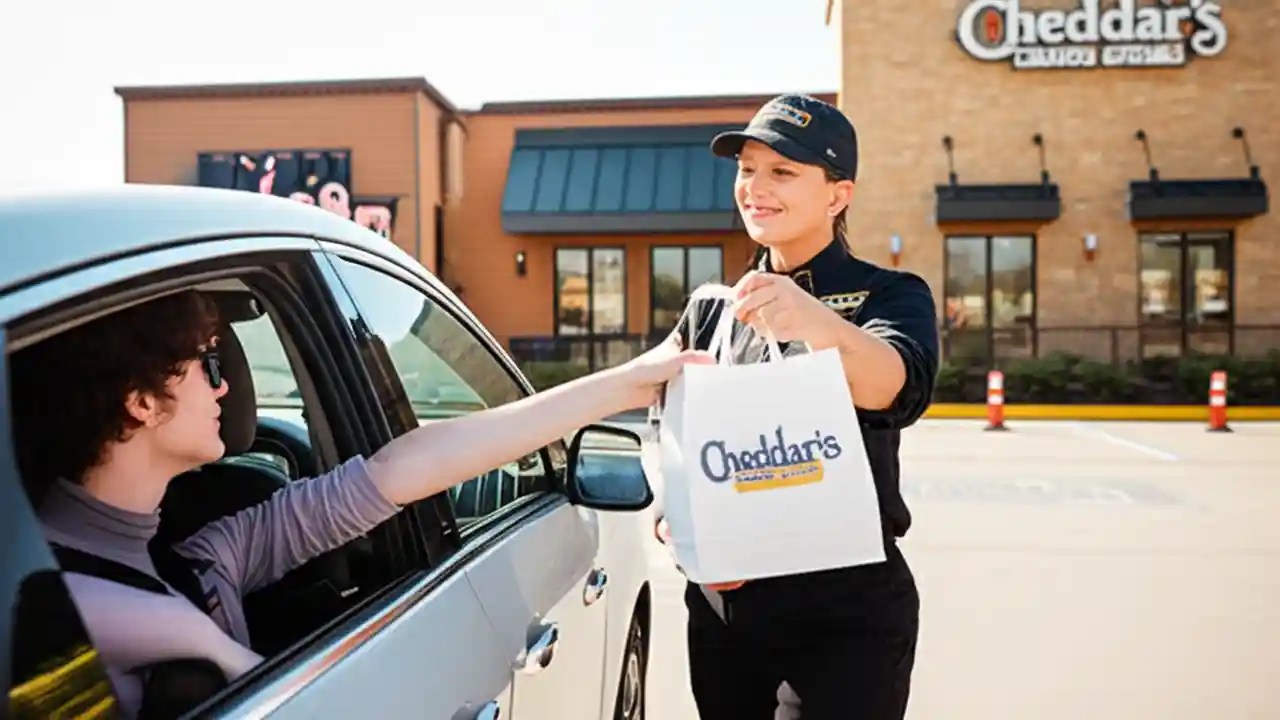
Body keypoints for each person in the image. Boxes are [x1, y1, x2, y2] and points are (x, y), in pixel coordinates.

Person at [10, 289, 710, 719]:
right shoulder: (39, 595)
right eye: (209, 366)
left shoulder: (203, 556)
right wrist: (192, 639)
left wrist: (628, 383)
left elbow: (401, 469)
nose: (227, 389)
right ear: (139, 402)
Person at [658, 94, 940, 719]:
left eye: (782, 172)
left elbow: (898, 386)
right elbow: (677, 436)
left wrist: (818, 324)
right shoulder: (713, 309)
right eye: (747, 168)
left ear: (838, 195)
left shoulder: (890, 294)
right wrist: (678, 520)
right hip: (725, 609)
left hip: (844, 612)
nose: (755, 187)